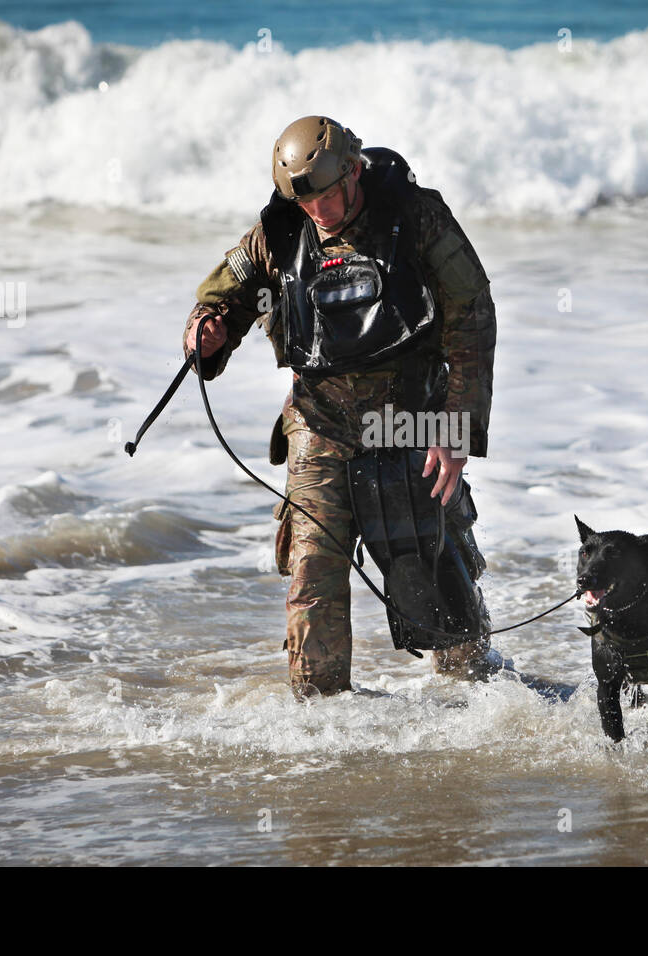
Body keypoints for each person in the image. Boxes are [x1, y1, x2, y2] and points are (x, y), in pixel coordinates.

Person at [182, 115, 497, 695]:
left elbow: (471, 315)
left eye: (327, 196)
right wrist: (209, 330)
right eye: (307, 202)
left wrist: (455, 429)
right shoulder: (278, 232)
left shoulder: (416, 218)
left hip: (407, 419)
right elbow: (222, 300)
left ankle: (477, 707)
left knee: (431, 572)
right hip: (318, 421)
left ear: (352, 172)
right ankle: (321, 718)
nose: (319, 211)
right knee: (312, 576)